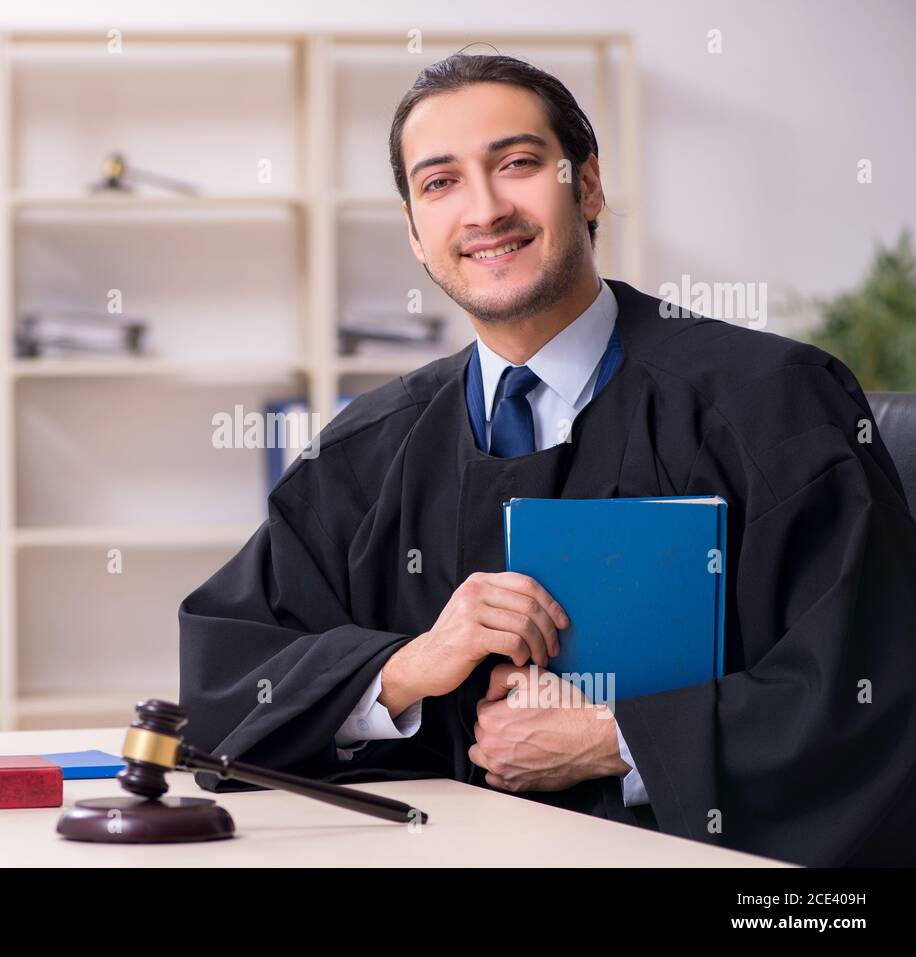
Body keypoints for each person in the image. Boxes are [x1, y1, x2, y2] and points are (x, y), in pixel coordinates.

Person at [178, 53, 916, 866]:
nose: (485, 209)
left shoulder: (775, 402)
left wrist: (620, 739)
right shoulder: (365, 453)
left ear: (587, 186)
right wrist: (403, 668)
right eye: (441, 183)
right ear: (417, 236)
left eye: (518, 164)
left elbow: (875, 686)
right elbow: (222, 685)